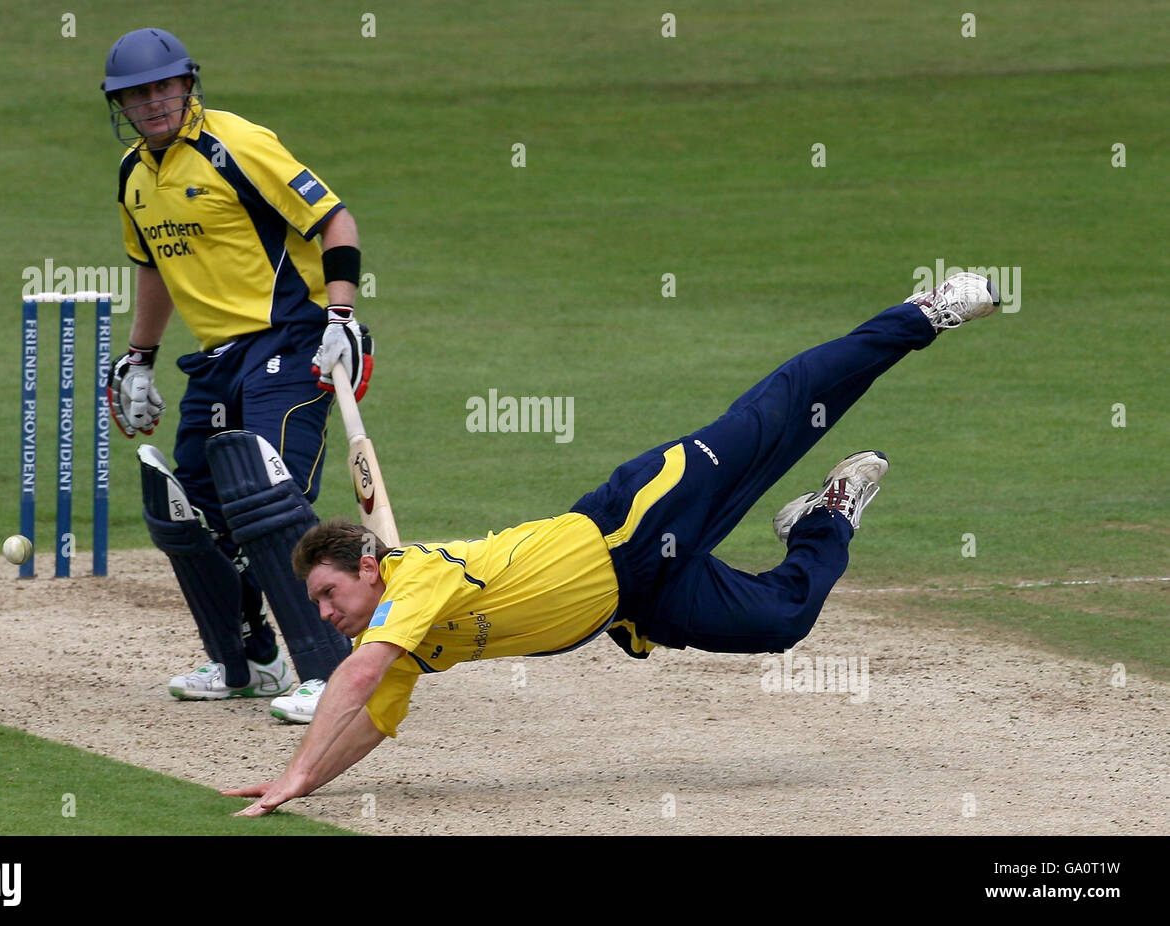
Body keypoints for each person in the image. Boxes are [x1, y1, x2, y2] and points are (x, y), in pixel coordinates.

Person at [222, 273, 1001, 815]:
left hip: (637, 523)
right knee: (784, 619)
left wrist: (295, 766)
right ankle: (823, 518)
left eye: (328, 594)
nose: (323, 612)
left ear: (367, 567)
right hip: (634, 602)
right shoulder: (411, 644)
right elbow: (368, 723)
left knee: (789, 411)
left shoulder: (412, 582)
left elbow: (356, 679)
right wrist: (303, 783)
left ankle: (923, 314)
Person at [102, 27, 371, 721]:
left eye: (166, 86)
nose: (156, 102)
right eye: (139, 94)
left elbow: (335, 221)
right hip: (219, 359)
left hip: (292, 338)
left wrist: (341, 316)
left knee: (265, 496)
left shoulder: (236, 144)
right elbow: (155, 269)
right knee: (185, 511)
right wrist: (139, 357)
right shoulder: (134, 175)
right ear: (121, 105)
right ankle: (248, 659)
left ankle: (329, 671)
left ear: (188, 84)